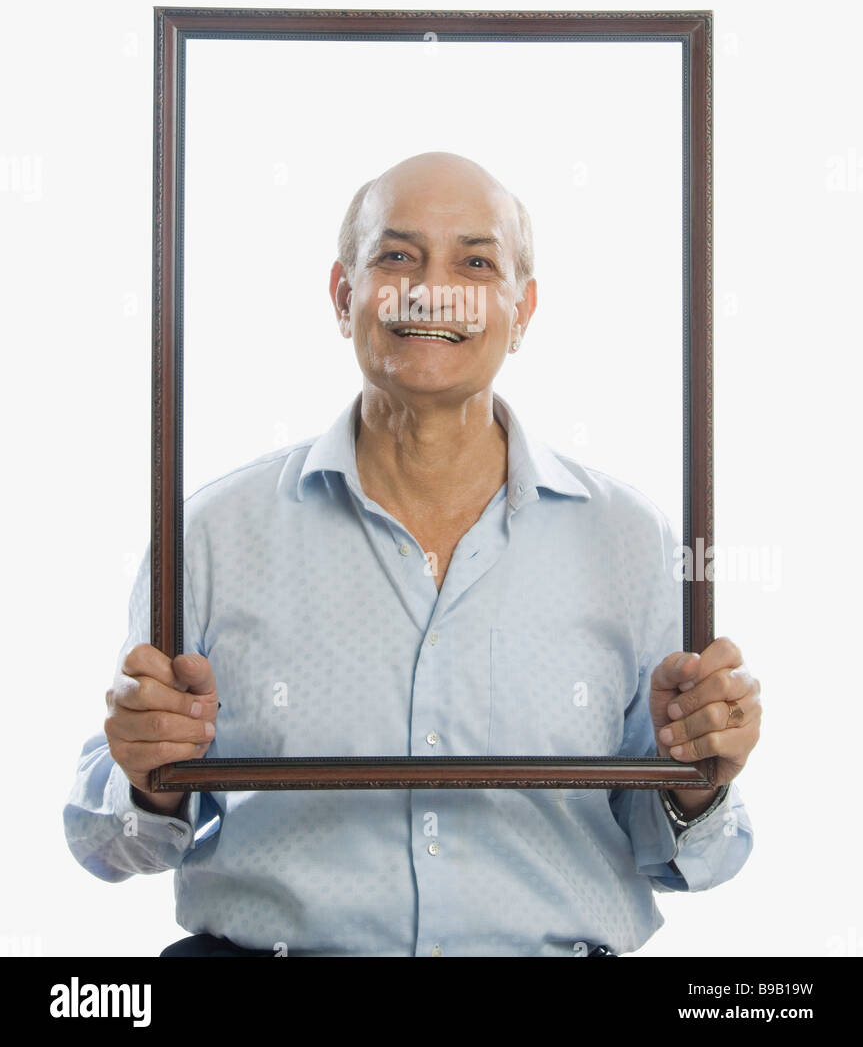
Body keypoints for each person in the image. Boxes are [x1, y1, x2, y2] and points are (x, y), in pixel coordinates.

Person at [63, 151, 760, 957]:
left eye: (474, 260)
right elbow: (109, 844)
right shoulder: (210, 534)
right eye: (396, 257)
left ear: (522, 310)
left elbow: (687, 855)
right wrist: (148, 783)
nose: (434, 289)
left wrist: (698, 781)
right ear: (342, 294)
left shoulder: (630, 541)